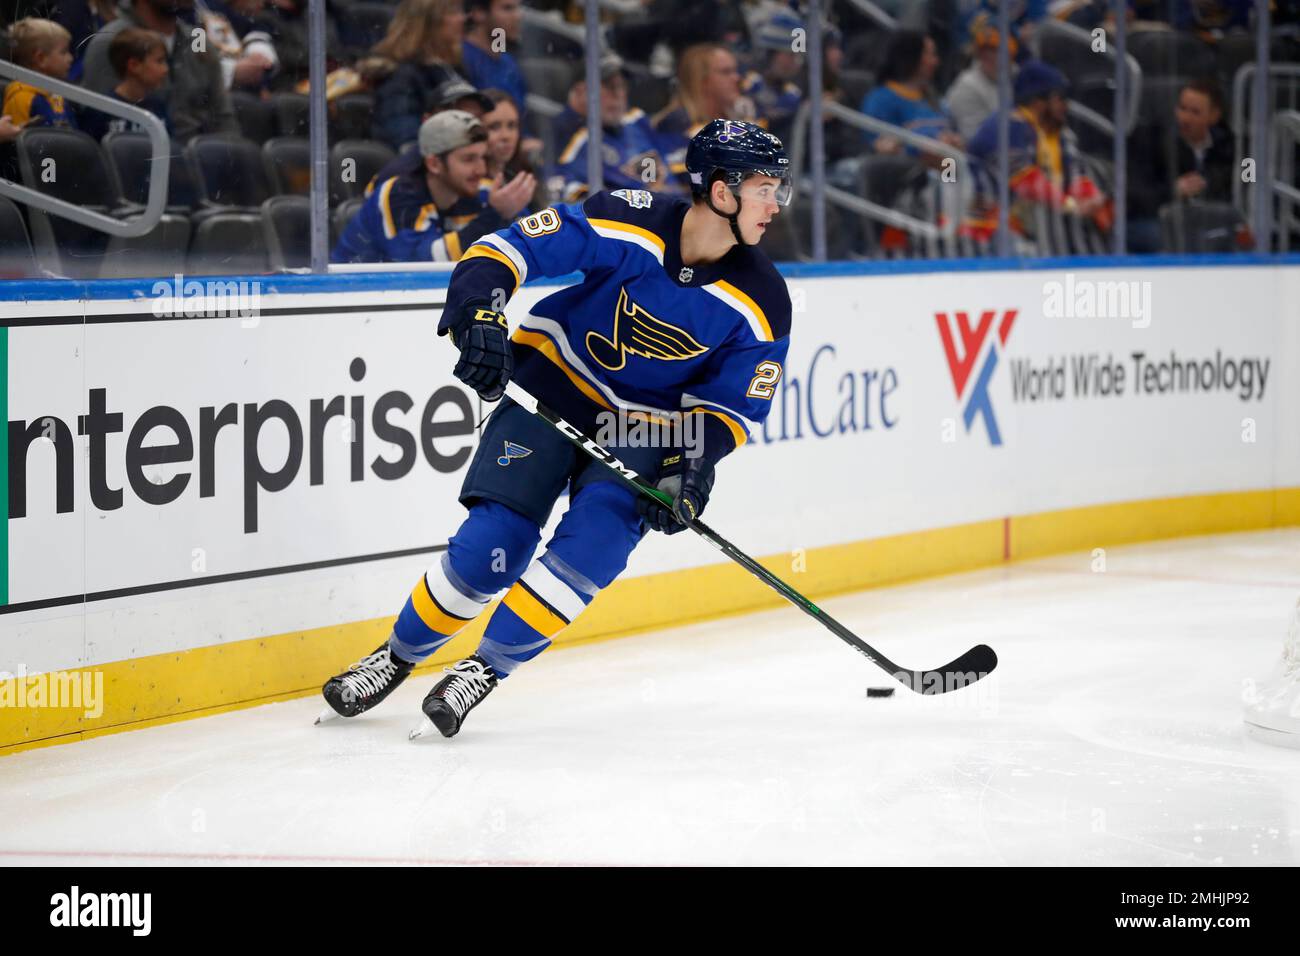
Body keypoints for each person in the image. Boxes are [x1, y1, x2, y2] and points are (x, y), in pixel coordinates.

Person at [318, 119, 794, 739]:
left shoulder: (764, 297)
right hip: (552, 387)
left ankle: (482, 671)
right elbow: (510, 248)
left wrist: (691, 466)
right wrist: (479, 311)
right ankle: (396, 656)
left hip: (644, 430)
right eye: (764, 188)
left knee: (595, 543)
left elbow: (732, 406)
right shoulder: (630, 217)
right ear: (722, 192)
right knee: (497, 541)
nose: (775, 204)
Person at [331, 109, 535, 264]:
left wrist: (509, 214)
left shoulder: (484, 192)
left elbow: (530, 248)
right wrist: (495, 215)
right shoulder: (397, 194)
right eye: (469, 159)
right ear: (434, 164)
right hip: (349, 303)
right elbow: (422, 263)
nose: (481, 169)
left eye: (483, 157)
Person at [967, 60, 1109, 241]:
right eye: (1060, 98)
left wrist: (1094, 200)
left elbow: (1076, 173)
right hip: (990, 232)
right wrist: (1071, 205)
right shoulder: (1004, 126)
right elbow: (1027, 183)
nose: (1066, 106)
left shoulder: (1058, 132)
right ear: (1038, 102)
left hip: (1039, 230)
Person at [81, 0, 237, 142]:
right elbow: (100, 123)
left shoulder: (199, 42)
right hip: (141, 158)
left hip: (202, 160)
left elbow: (224, 117)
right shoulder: (110, 42)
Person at [1126, 77, 1234, 253]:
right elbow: (1134, 194)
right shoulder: (1152, 139)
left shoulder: (1226, 146)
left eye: (1195, 112)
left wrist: (1208, 183)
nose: (1185, 118)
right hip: (1149, 221)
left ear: (1214, 116)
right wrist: (1173, 191)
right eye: (1182, 109)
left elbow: (1239, 182)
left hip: (1202, 223)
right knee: (1174, 238)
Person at [551, 55, 680, 202]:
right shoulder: (570, 137)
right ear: (581, 91)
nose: (619, 94)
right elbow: (564, 188)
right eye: (610, 87)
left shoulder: (635, 120)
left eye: (622, 86)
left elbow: (668, 158)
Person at [366, 0, 469, 150]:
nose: (462, 18)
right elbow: (405, 138)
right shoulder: (401, 76)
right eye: (452, 12)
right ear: (427, 22)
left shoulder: (453, 66)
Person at [652, 43, 757, 180]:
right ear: (702, 80)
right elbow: (685, 181)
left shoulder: (735, 119)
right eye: (726, 72)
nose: (737, 78)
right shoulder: (678, 123)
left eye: (735, 71)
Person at [859, 30, 963, 162]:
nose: (936, 62)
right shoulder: (880, 100)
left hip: (947, 173)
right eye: (930, 55)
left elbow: (954, 143)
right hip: (910, 175)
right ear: (911, 56)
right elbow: (880, 148)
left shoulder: (935, 99)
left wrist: (954, 143)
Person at [77, 27, 172, 140]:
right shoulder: (101, 110)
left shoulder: (158, 107)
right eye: (159, 61)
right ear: (134, 65)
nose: (166, 69)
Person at [944, 20, 1014, 143]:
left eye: (994, 50)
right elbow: (977, 139)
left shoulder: (1011, 79)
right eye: (983, 50)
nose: (987, 56)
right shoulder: (967, 85)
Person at [2, 18, 77, 129]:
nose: (70, 58)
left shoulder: (57, 94)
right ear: (40, 58)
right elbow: (17, 142)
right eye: (64, 52)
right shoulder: (21, 98)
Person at [460, 0, 526, 120]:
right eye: (507, 8)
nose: (518, 16)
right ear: (479, 13)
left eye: (518, 8)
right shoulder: (460, 59)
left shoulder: (508, 61)